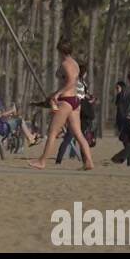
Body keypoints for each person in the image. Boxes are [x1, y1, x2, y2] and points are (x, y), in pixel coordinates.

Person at [29, 38, 94, 170]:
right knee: (78, 134)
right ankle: (89, 162)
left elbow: (71, 82)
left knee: (52, 132)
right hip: (75, 101)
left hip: (67, 101)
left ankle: (42, 161)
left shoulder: (66, 64)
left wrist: (57, 94)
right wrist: (55, 93)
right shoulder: (75, 63)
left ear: (60, 51)